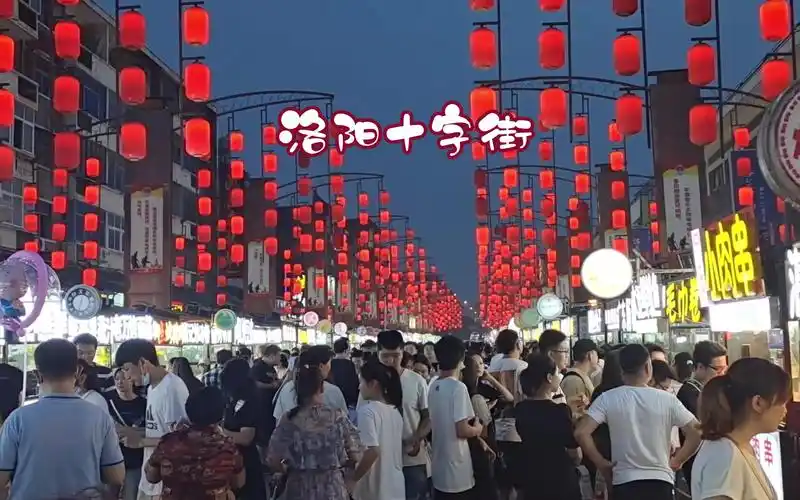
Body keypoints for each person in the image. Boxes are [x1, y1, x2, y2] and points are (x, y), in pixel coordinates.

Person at [0, 339, 125, 498]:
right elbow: (116, 476)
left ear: (37, 375)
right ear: (77, 372)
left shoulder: (17, 420)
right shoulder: (99, 417)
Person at [575, 344, 702, 500]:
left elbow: (581, 432)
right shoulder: (667, 399)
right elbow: (696, 431)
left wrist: (601, 463)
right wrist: (678, 460)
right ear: (648, 367)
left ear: (621, 370)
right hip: (661, 481)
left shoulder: (607, 398)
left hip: (624, 482)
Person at [266, 353, 363, 500]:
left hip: (298, 489)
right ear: (322, 388)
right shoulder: (337, 417)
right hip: (332, 488)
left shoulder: (288, 419)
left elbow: (272, 459)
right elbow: (356, 455)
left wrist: (285, 468)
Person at [691, 357, 788, 500]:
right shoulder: (724, 456)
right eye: (782, 402)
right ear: (758, 403)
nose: (785, 411)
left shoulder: (737, 447)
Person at [115, 338, 190, 500]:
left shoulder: (172, 388)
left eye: (127, 369)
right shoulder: (152, 388)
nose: (127, 376)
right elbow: (160, 429)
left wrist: (140, 442)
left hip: (166, 482)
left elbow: (181, 439)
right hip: (150, 477)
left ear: (143, 362)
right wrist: (136, 432)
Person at [145, 386, 246, 499]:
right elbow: (238, 483)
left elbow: (151, 476)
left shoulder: (168, 443)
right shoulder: (227, 448)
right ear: (221, 416)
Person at [373, 330, 432, 500]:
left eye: (396, 356)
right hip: (382, 460)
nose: (391, 361)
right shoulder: (370, 383)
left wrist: (417, 438)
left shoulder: (416, 381)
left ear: (403, 352)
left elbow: (428, 416)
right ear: (377, 353)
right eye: (385, 356)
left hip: (411, 458)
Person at [515, 354, 582, 500]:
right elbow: (575, 454)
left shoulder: (521, 409)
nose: (559, 377)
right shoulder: (560, 411)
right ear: (549, 378)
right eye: (557, 373)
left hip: (532, 476)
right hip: (559, 478)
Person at [428, 335, 482, 499]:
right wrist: (478, 429)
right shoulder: (458, 387)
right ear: (461, 359)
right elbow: (462, 430)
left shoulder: (433, 384)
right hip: (457, 466)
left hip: (439, 464)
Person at [675, 340, 727, 485]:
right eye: (718, 369)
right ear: (699, 367)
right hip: (698, 463)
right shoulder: (689, 393)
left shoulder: (708, 391)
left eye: (724, 369)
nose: (722, 374)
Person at [353, 361, 405, 500]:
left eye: (361, 382)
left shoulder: (367, 411)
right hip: (395, 487)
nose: (359, 387)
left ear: (373, 384)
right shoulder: (395, 412)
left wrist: (353, 479)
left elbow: (372, 451)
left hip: (376, 489)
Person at [220, 358, 267, 500]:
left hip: (246, 462)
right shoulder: (233, 400)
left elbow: (246, 438)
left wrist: (219, 432)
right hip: (232, 460)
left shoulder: (250, 401)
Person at [488, 329, 527, 498]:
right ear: (518, 344)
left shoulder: (492, 366)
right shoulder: (523, 367)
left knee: (502, 480)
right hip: (517, 430)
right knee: (520, 480)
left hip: (494, 427)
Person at [273, 345, 348, 420]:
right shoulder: (333, 391)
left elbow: (278, 419)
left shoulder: (287, 389)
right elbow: (344, 419)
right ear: (321, 366)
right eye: (330, 362)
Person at [108, 368, 147, 500]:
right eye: (117, 379)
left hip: (135, 460)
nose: (120, 382)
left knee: (130, 494)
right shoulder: (109, 402)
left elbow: (150, 430)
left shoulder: (143, 403)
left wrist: (133, 433)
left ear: (131, 379)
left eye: (124, 378)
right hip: (113, 460)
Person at [561, 338, 598, 418]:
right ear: (590, 355)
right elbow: (574, 414)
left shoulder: (581, 376)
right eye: (596, 354)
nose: (598, 357)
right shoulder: (574, 380)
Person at [330, 337, 360, 412]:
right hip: (348, 401)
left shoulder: (330, 363)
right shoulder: (349, 364)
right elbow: (354, 383)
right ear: (345, 350)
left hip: (333, 399)